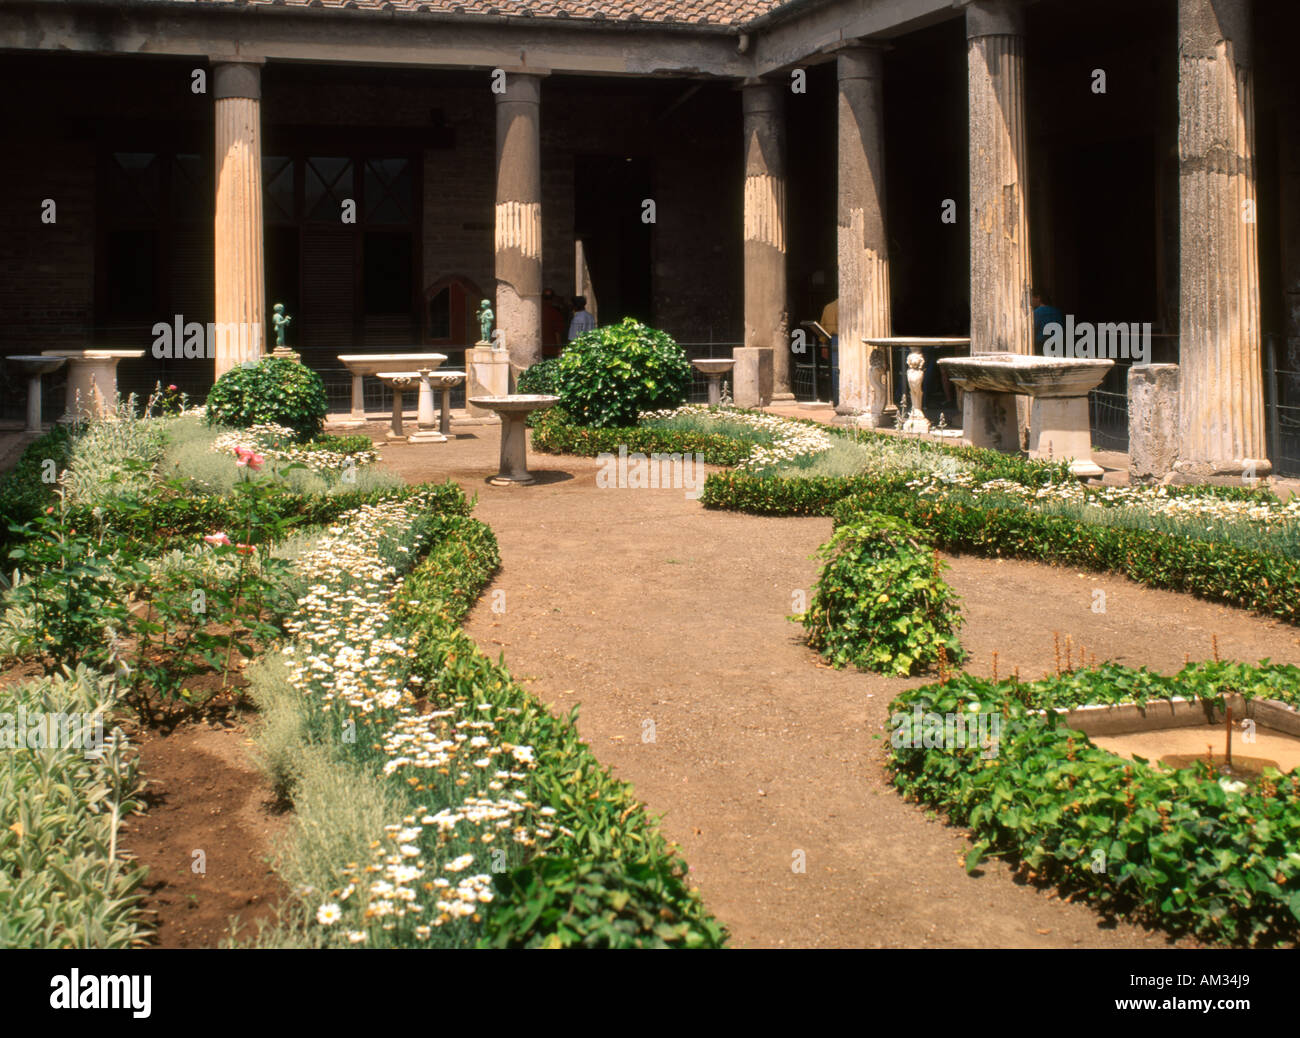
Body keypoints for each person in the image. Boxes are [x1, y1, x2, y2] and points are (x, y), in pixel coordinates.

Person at [541, 288, 566, 358]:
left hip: (539, 348)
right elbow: (558, 332)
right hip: (551, 349)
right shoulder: (555, 313)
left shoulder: (537, 311)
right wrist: (559, 348)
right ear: (553, 298)